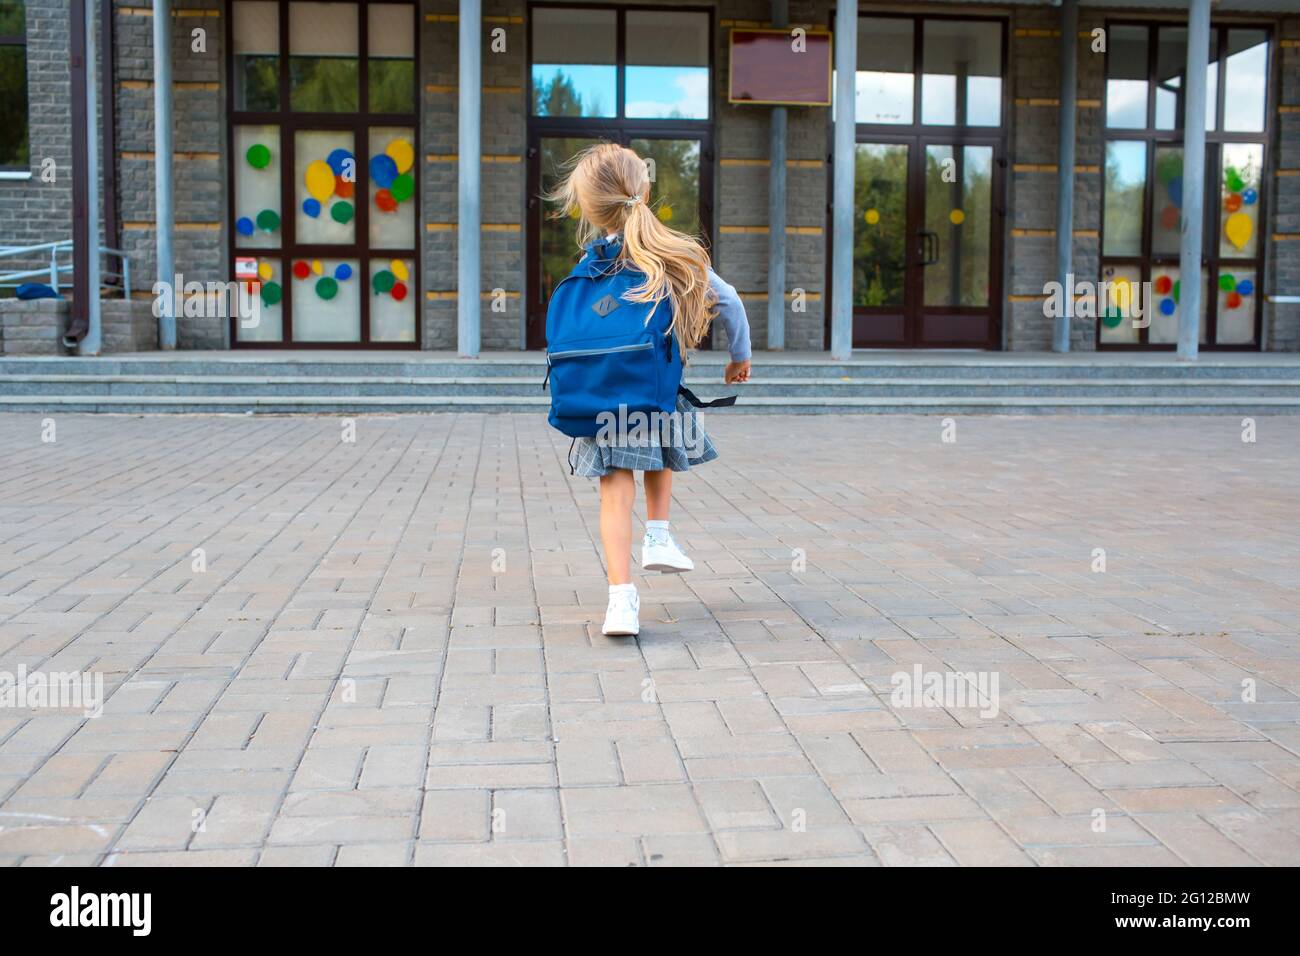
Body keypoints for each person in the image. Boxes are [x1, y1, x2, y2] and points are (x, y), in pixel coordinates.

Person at [545, 143, 753, 637]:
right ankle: (658, 536)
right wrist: (739, 357)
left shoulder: (587, 264)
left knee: (614, 496)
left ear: (589, 208)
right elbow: (730, 302)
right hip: (651, 394)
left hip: (599, 397)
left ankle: (621, 602)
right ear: (644, 191)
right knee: (658, 449)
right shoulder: (671, 253)